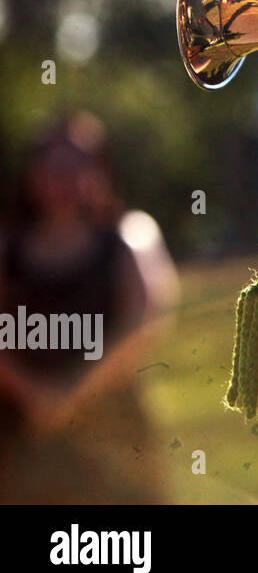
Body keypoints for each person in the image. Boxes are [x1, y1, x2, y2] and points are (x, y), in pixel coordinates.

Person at [0, 113, 178, 503]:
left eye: (78, 166)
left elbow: (144, 322)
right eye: (53, 168)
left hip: (112, 432)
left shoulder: (129, 235)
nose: (65, 179)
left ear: (101, 173)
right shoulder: (8, 247)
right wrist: (33, 396)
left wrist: (68, 395)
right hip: (21, 433)